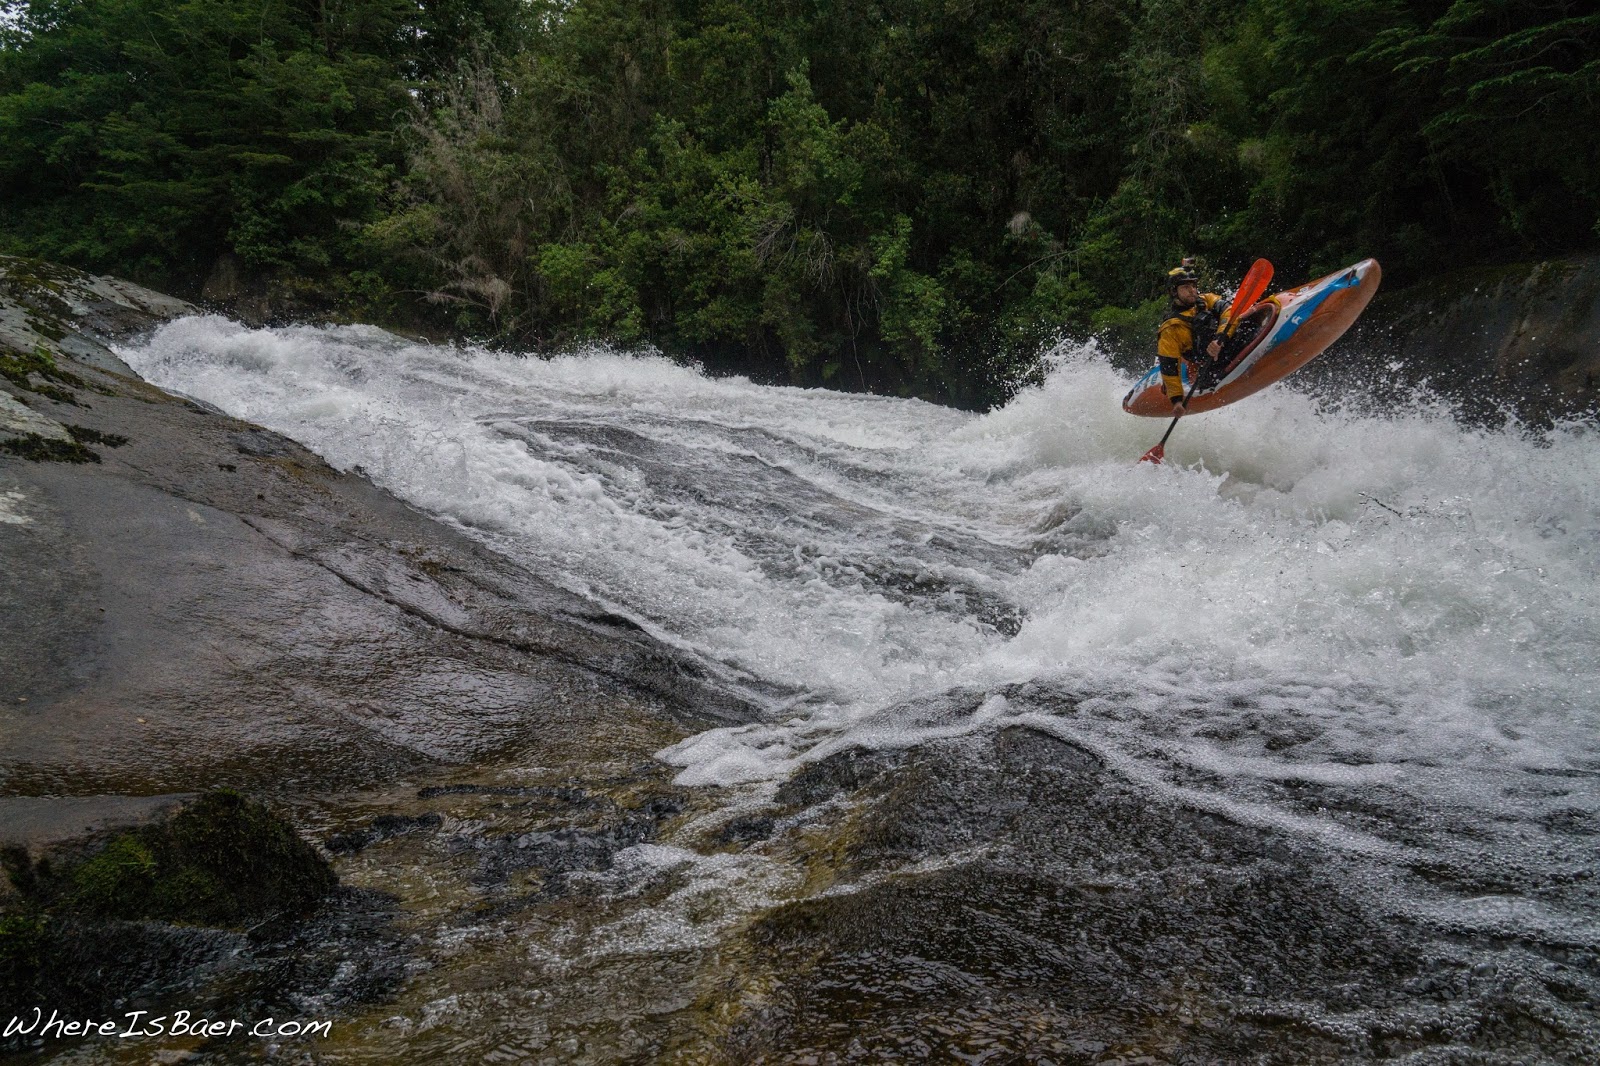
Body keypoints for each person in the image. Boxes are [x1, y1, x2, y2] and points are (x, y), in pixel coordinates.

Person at [1157, 260, 1231, 415]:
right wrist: (1177, 401)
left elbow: (1228, 311)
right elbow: (1169, 367)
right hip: (1211, 365)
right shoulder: (1171, 328)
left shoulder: (1206, 300)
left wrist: (1219, 339)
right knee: (1207, 379)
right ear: (1174, 292)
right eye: (1186, 287)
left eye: (1193, 286)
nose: (1192, 290)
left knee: (1245, 326)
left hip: (1227, 344)